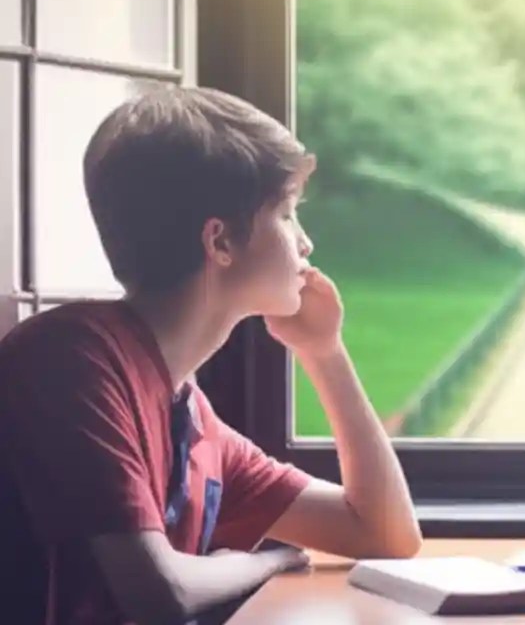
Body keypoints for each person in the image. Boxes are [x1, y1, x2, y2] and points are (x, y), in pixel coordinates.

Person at [0, 87, 421, 624]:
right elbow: (160, 593)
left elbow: (383, 532)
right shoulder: (72, 361)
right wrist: (268, 559)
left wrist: (325, 354)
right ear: (219, 242)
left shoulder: (191, 415)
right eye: (288, 214)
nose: (305, 243)